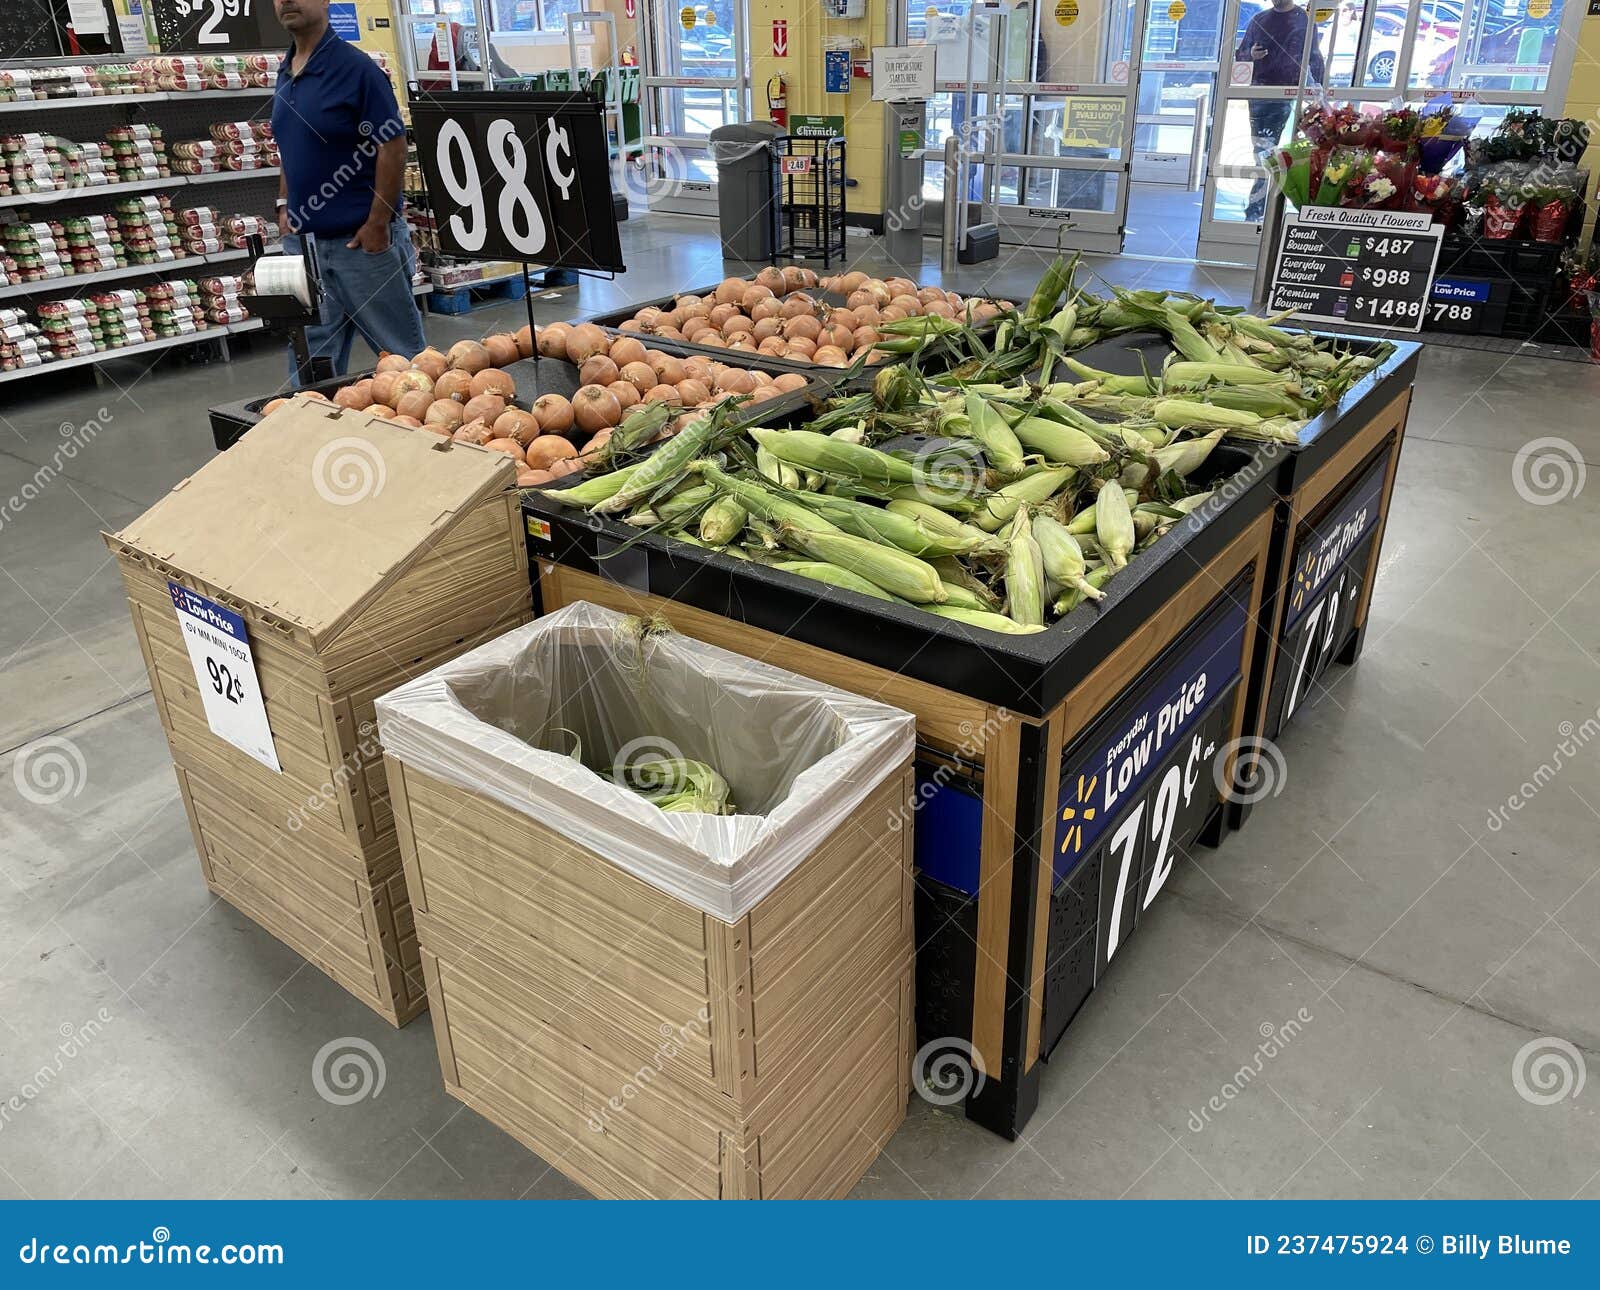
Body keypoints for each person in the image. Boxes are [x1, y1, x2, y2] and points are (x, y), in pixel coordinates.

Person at [271, 0, 427, 382]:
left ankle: (436, 438)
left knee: (406, 366)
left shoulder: (357, 70)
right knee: (310, 371)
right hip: (305, 249)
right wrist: (283, 204)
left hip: (362, 249)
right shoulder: (286, 71)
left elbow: (391, 146)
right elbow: (292, 146)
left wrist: (377, 223)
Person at [1237, 0, 1324, 221]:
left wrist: (1318, 90)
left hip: (1291, 93)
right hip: (1261, 92)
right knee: (1263, 152)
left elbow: (1313, 56)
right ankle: (1259, 209)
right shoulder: (1260, 19)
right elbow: (1241, 54)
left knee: (1286, 152)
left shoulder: (1304, 20)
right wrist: (1251, 55)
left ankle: (1274, 208)